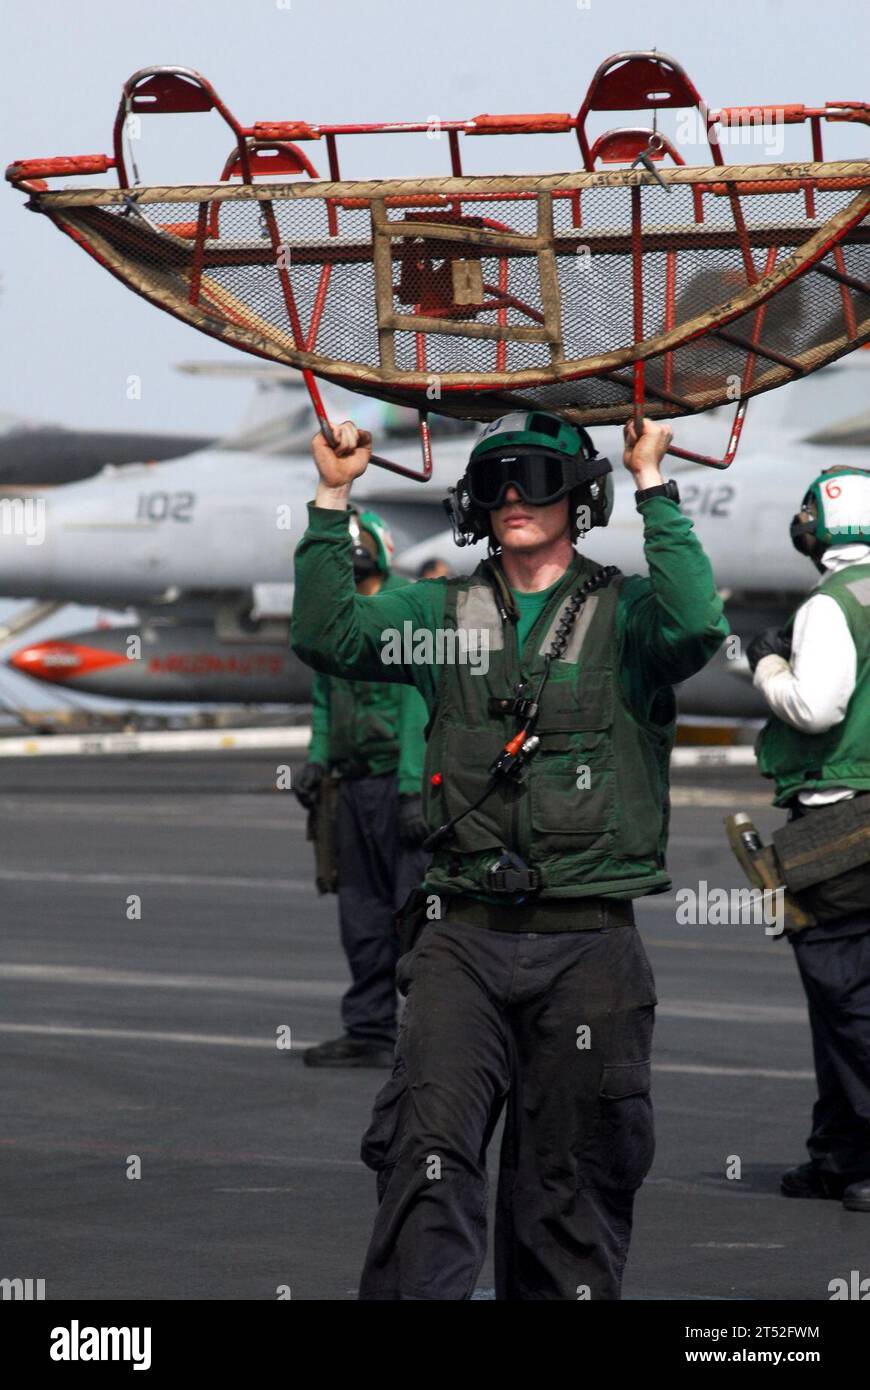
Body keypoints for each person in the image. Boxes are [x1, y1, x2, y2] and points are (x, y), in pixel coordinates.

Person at [292, 409, 728, 1299]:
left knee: (567, 1185)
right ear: (473, 503)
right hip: (463, 938)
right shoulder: (441, 614)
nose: (517, 497)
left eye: (536, 477)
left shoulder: (632, 614)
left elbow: (696, 625)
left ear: (582, 496)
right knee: (428, 1158)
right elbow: (329, 633)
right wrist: (334, 496)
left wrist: (654, 486)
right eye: (495, 482)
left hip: (589, 943)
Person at [749, 465, 870, 1213]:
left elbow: (816, 708)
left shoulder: (833, 604)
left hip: (840, 827)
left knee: (846, 995)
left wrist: (766, 665)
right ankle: (840, 1155)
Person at [294, 509, 430, 1068]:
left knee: (416, 914)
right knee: (361, 914)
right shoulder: (337, 617)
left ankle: (433, 1038)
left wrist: (411, 787)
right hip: (351, 791)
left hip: (402, 790)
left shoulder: (407, 607)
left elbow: (416, 702)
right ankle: (371, 1030)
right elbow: (326, 700)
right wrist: (316, 760)